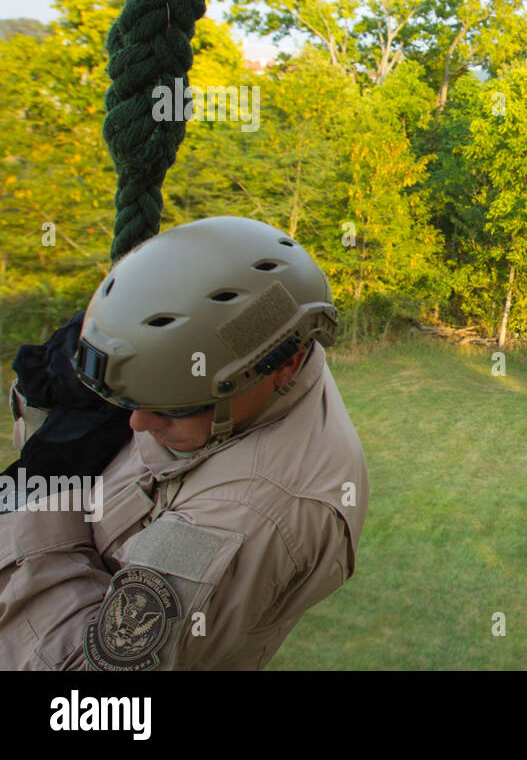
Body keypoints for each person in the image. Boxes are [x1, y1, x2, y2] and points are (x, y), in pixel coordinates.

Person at [0, 216, 369, 669]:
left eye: (172, 407)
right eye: (131, 402)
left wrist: (39, 503)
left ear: (285, 366)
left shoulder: (248, 514)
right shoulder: (251, 359)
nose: (136, 423)